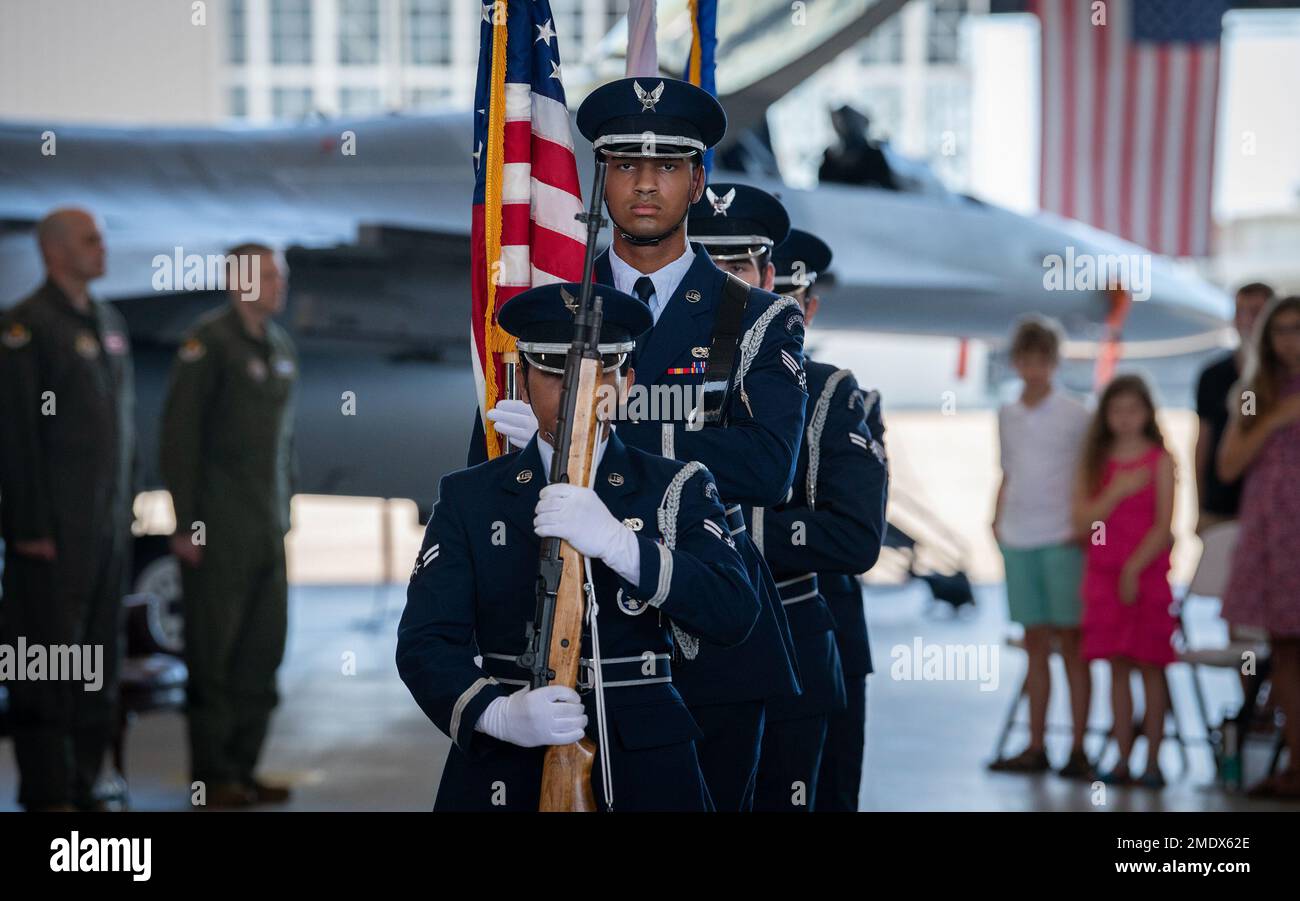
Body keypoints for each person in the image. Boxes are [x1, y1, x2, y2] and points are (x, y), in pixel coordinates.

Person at [479, 77, 809, 811]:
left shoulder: (758, 319)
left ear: (697, 180)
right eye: (626, 165)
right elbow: (489, 478)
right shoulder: (544, 313)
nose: (645, 185)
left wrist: (593, 435)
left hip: (712, 646)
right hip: (579, 636)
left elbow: (769, 466)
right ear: (602, 178)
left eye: (665, 167)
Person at [398, 283, 759, 811]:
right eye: (552, 370)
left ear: (628, 382)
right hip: (508, 753)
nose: (576, 389)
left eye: (601, 372)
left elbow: (733, 612)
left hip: (646, 756)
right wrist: (495, 714)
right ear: (522, 378)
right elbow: (425, 643)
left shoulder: (676, 485)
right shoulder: (471, 497)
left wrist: (624, 546)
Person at [725, 226, 888, 812]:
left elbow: (853, 534)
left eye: (787, 303)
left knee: (826, 789)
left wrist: (731, 529)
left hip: (814, 621)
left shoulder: (839, 398)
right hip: (715, 636)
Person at [0, 207, 134, 811]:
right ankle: (49, 794)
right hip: (51, 534)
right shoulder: (26, 327)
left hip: (103, 531)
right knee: (47, 667)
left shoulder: (107, 321)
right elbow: (15, 435)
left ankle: (83, 784)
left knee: (97, 666)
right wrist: (26, 526)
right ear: (54, 252)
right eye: (89, 240)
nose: (102, 248)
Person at [159, 243, 297, 808]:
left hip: (266, 526)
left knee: (263, 652)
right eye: (267, 274)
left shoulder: (279, 346)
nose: (278, 284)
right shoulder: (209, 344)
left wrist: (285, 512)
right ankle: (212, 778)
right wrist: (186, 522)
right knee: (213, 656)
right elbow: (179, 438)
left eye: (280, 275)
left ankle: (242, 769)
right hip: (217, 527)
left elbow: (283, 446)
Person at [988, 316, 1093, 778]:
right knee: (1034, 644)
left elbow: (1090, 471)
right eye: (1026, 360)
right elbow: (1008, 470)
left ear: (1054, 362)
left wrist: (1085, 523)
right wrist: (996, 518)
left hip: (1062, 537)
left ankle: (1079, 747)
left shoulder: (1076, 412)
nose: (1034, 369)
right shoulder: (1007, 413)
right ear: (1016, 362)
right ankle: (1035, 744)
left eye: (1042, 360)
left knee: (1072, 644)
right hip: (1019, 534)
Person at [1073, 375, 1177, 788]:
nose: (1125, 418)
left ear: (1148, 413)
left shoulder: (1160, 460)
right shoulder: (1098, 461)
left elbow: (1165, 526)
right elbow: (1084, 522)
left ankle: (1153, 759)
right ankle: (1121, 757)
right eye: (1117, 410)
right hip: (1104, 576)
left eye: (1134, 409)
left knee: (1151, 667)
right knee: (1116, 669)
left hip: (1146, 575)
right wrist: (1115, 492)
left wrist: (1135, 568)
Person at [1217, 295, 1300, 800]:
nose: (1291, 338)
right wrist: (1275, 418)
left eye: (1299, 327)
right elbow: (1227, 465)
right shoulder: (1255, 394)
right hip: (1272, 532)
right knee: (1284, 650)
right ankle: (1295, 764)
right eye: (1283, 329)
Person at [1194, 282, 1274, 533]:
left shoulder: (1289, 380)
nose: (1250, 320)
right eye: (1242, 311)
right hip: (1223, 505)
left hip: (1275, 507)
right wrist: (1201, 505)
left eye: (1258, 312)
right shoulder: (1213, 375)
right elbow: (1203, 443)